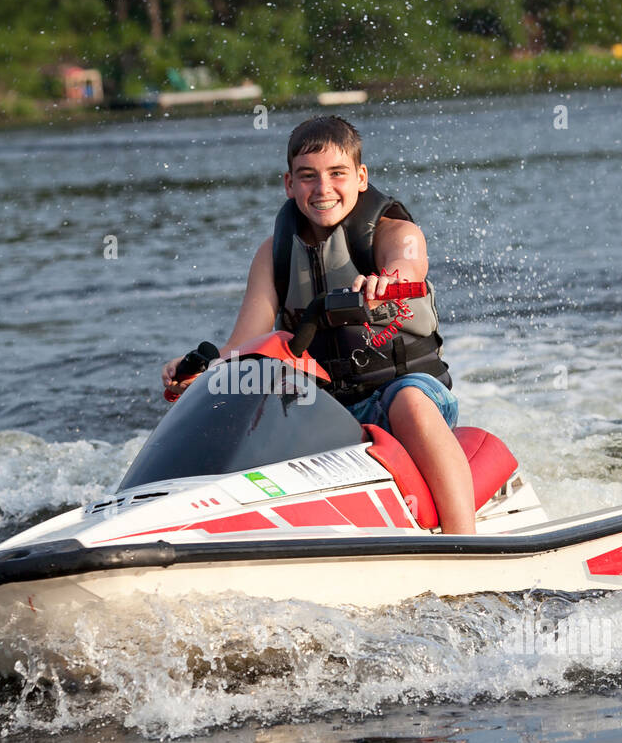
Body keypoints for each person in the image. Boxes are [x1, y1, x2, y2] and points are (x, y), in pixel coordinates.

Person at [162, 115, 476, 534]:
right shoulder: (274, 254)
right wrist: (202, 373)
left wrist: (388, 281)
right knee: (251, 415)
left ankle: (463, 540)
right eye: (307, 176)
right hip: (326, 407)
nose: (323, 188)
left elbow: (408, 263)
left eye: (337, 174)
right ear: (289, 185)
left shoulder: (395, 233)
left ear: (361, 177)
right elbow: (247, 343)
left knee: (410, 402)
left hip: (406, 392)